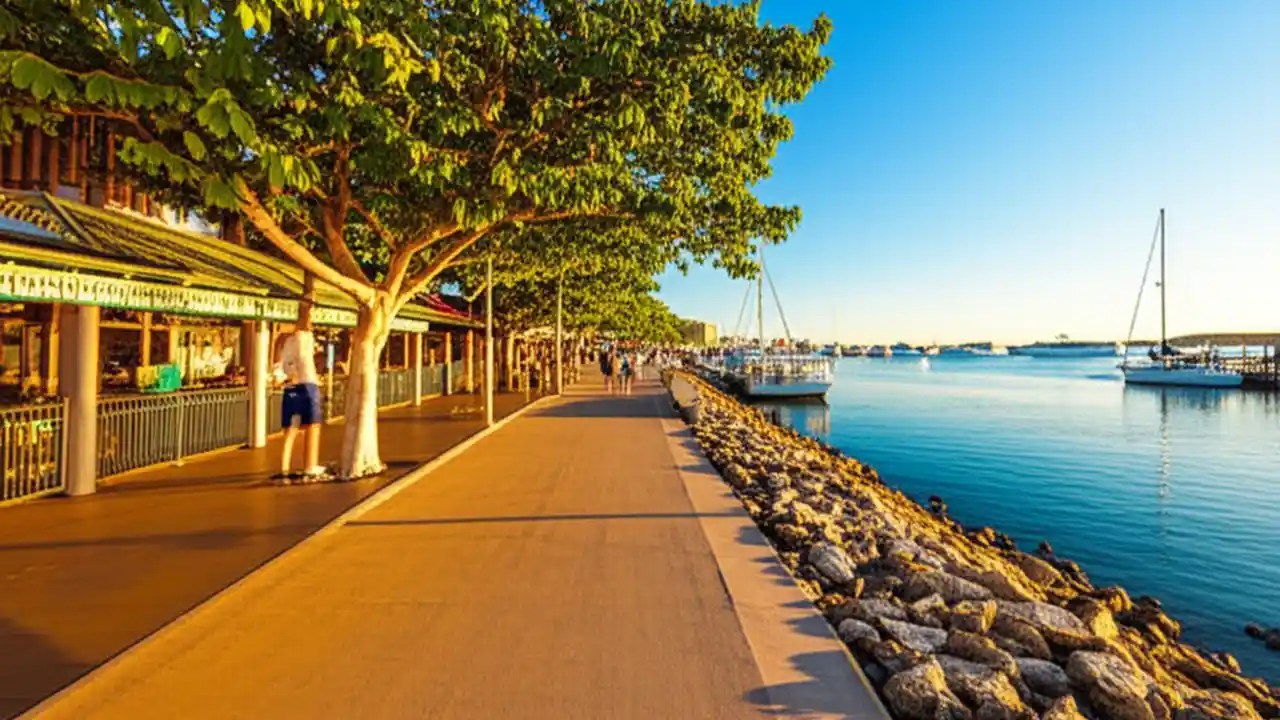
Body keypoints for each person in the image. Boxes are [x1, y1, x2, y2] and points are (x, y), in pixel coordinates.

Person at [276, 297, 325, 479]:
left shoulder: (283, 343)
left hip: (290, 387)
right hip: (307, 385)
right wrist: (306, 308)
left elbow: (278, 368)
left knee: (291, 429)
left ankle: (284, 467)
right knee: (313, 426)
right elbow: (304, 324)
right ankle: (310, 465)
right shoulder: (303, 338)